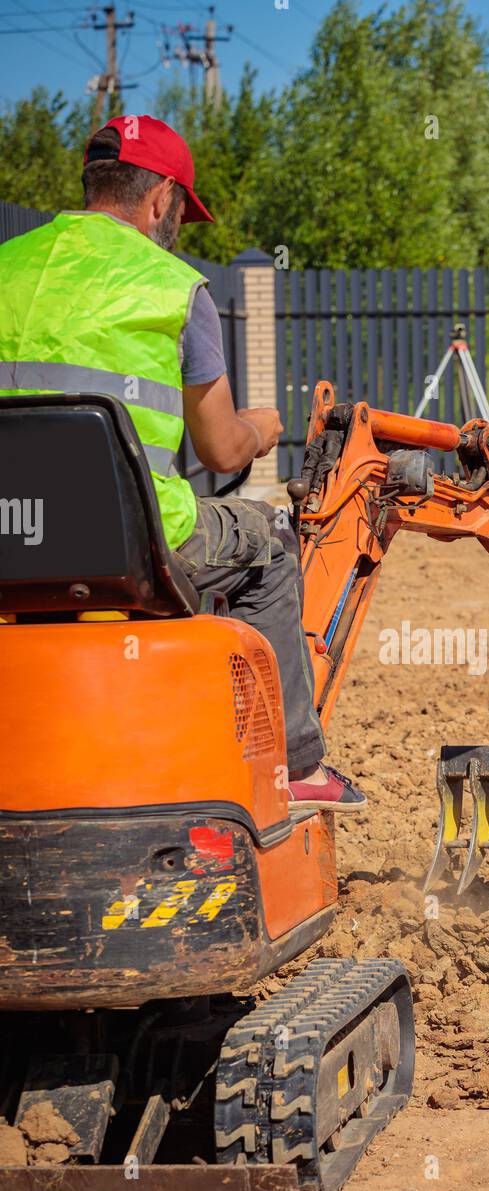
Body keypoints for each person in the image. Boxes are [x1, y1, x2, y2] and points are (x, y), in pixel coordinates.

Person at [0, 114, 364, 812]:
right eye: (181, 214)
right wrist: (260, 429)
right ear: (161, 199)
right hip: (129, 543)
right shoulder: (173, 287)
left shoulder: (9, 264)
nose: (179, 229)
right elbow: (219, 449)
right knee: (272, 544)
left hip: (11, 538)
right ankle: (299, 765)